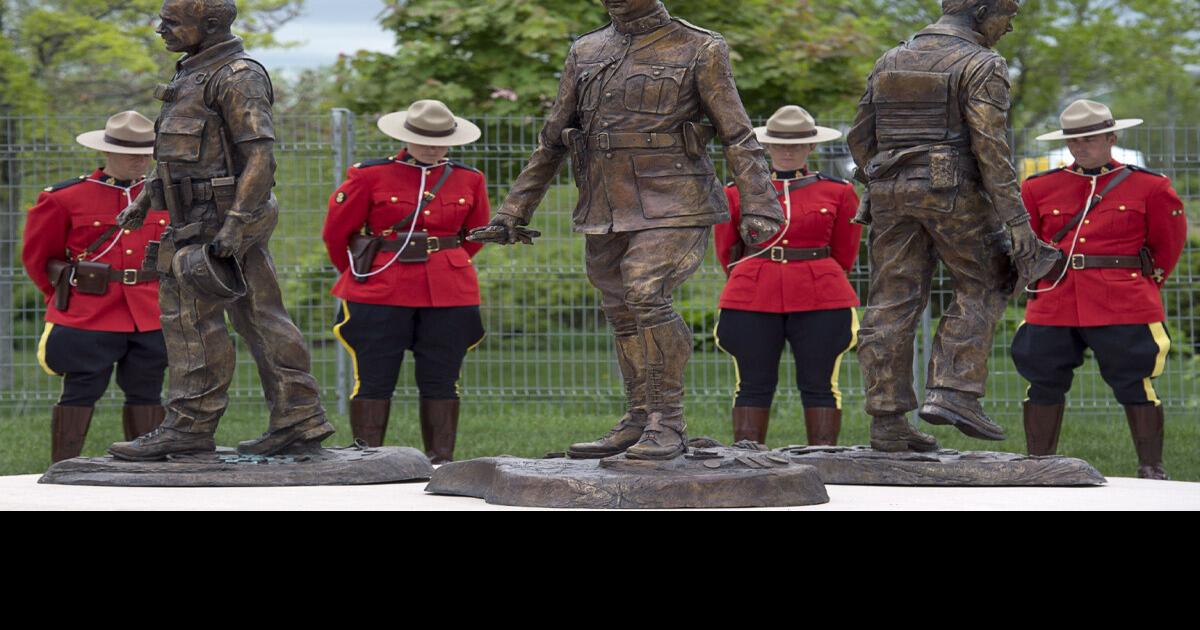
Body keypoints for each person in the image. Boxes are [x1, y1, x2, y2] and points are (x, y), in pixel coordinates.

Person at [470, 0, 783, 461]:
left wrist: (760, 203)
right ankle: (640, 418)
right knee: (620, 309)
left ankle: (668, 422)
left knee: (645, 293)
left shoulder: (700, 46)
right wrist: (514, 209)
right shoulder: (587, 49)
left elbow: (736, 133)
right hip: (604, 200)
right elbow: (554, 137)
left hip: (675, 197)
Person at [108, 0, 333, 460]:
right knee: (258, 315)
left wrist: (235, 223)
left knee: (191, 316)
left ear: (209, 25)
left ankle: (191, 424)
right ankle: (299, 418)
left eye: (171, 23)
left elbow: (260, 157)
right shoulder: (191, 72)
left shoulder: (237, 76)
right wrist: (147, 200)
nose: (159, 30)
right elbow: (179, 153)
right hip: (199, 213)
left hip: (218, 219)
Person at [847, 0, 1052, 452]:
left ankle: (887, 420)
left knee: (891, 299)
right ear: (980, 11)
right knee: (992, 277)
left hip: (889, 195)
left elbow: (859, 137)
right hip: (950, 188)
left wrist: (880, 181)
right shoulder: (981, 64)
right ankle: (954, 392)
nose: (1010, 26)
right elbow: (991, 149)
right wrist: (1015, 220)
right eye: (1007, 15)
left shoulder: (891, 58)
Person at [1013, 100, 1187, 480]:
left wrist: (1144, 283)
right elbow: (1025, 245)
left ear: (1112, 136)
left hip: (1123, 302)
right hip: (1055, 299)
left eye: (1089, 137)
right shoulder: (1040, 187)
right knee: (1042, 380)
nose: (1080, 146)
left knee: (1136, 381)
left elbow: (1167, 245)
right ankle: (1039, 467)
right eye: (1073, 139)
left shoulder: (1150, 187)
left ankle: (1151, 468)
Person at [323, 100, 489, 464]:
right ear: (406, 137)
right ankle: (370, 463)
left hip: (449, 291)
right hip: (381, 287)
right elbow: (337, 234)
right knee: (374, 378)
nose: (432, 147)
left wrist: (446, 261)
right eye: (423, 138)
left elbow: (473, 236)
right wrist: (361, 273)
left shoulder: (470, 179)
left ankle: (440, 463)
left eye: (440, 140)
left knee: (442, 380)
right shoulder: (369, 175)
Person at [21, 111, 169, 462]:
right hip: (89, 313)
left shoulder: (166, 198)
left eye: (146, 151)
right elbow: (38, 259)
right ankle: (63, 467)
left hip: (151, 312)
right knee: (80, 390)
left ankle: (147, 468)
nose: (141, 159)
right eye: (131, 152)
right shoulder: (64, 198)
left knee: (148, 390)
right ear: (106, 152)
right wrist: (63, 300)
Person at [714, 106, 862, 446]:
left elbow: (844, 252)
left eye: (797, 144)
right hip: (753, 293)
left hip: (821, 293)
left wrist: (818, 275)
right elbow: (727, 251)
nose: (787, 150)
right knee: (752, 382)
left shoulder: (838, 192)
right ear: (767, 146)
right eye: (780, 143)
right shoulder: (738, 193)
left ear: (811, 147)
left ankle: (823, 462)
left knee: (820, 382)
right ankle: (748, 460)